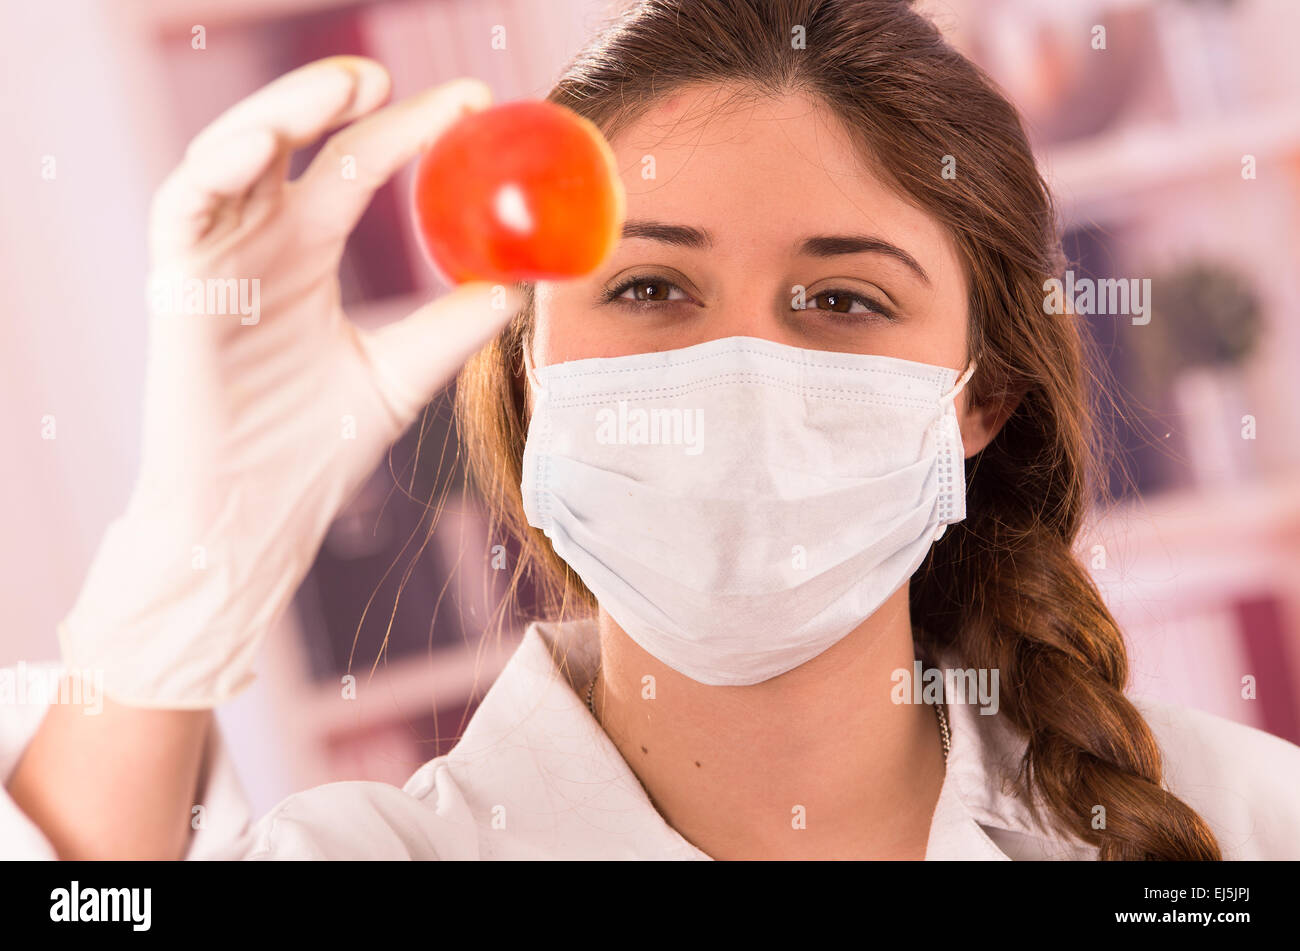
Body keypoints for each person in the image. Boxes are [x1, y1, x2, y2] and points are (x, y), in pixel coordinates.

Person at [5, 0, 1299, 861]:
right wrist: (184, 567)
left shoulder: (1239, 830)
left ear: (980, 399)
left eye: (841, 298)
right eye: (650, 287)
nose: (737, 368)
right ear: (534, 357)